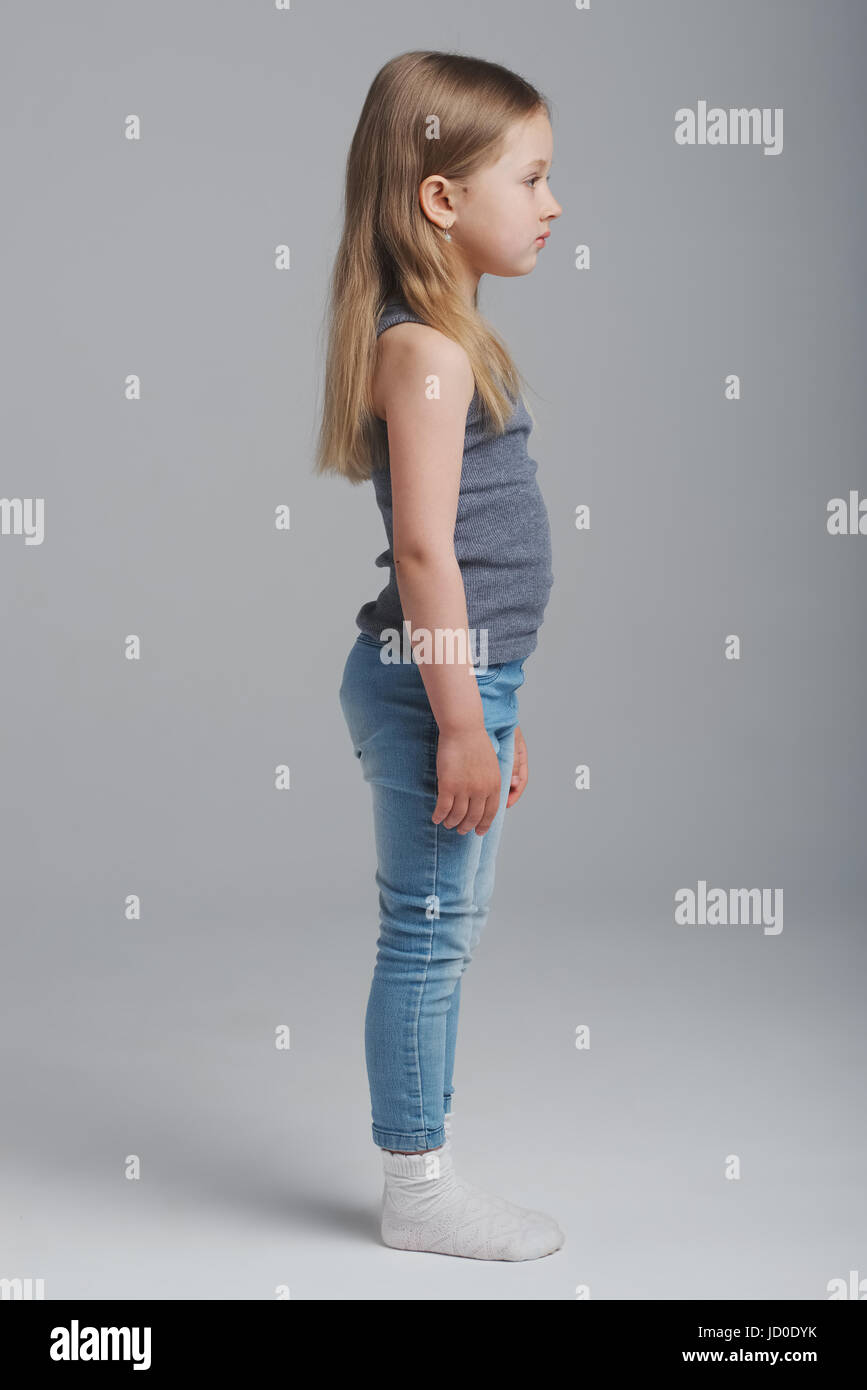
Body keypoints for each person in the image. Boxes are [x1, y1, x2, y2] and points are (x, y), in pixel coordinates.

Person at [315, 50, 563, 1260]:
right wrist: (462, 718)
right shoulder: (427, 353)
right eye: (533, 177)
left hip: (458, 681)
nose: (554, 204)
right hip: (429, 686)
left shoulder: (450, 339)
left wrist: (495, 706)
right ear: (441, 196)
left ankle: (427, 1166)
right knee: (426, 934)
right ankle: (418, 1187)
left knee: (444, 932)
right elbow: (425, 552)